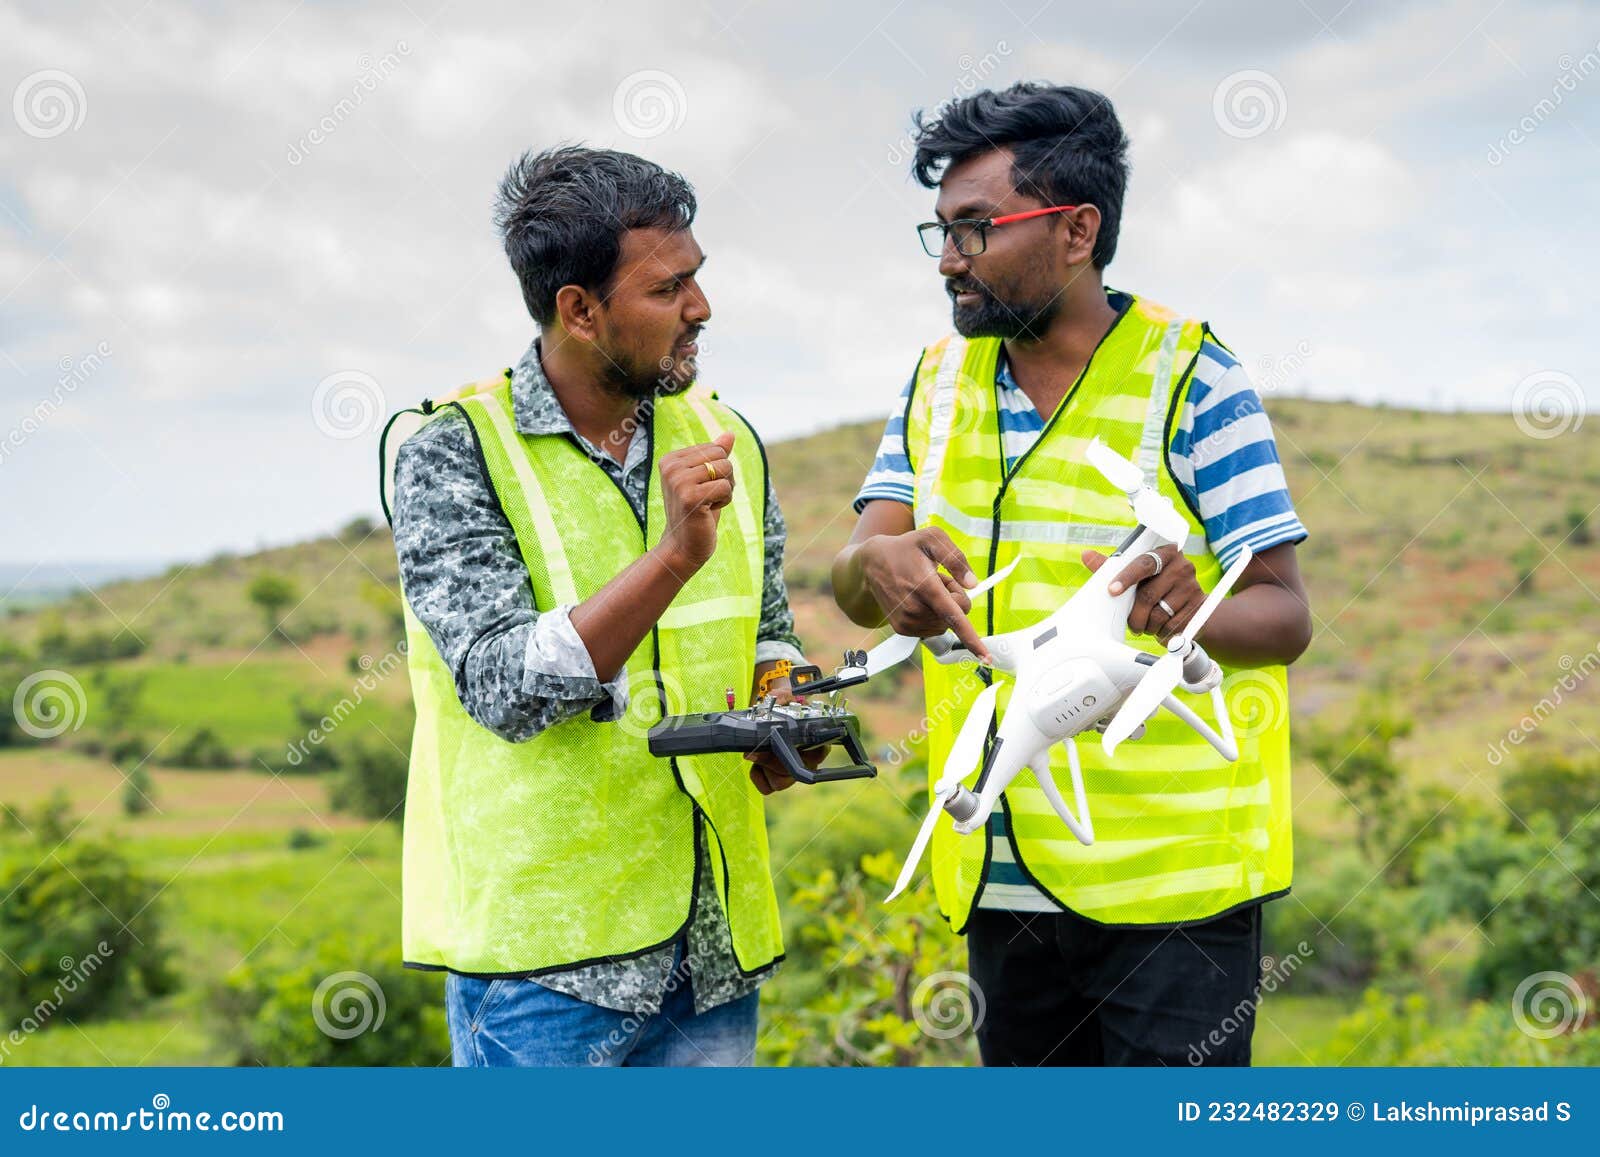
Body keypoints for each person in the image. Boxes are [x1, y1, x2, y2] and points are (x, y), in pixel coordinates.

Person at [831, 83, 1313, 1066]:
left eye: (976, 228)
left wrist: (1190, 612)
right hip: (999, 879)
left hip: (1174, 892)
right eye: (941, 232)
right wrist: (874, 562)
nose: (950, 259)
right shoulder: (933, 382)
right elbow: (857, 579)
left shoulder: (1193, 376)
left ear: (1077, 230)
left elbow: (1284, 614)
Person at [385, 145, 815, 1067]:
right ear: (579, 310)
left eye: (697, 277)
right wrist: (671, 559)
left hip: (712, 949)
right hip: (545, 972)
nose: (701, 307)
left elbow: (767, 627)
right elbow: (502, 686)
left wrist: (785, 697)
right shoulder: (451, 451)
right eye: (668, 289)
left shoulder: (727, 436)